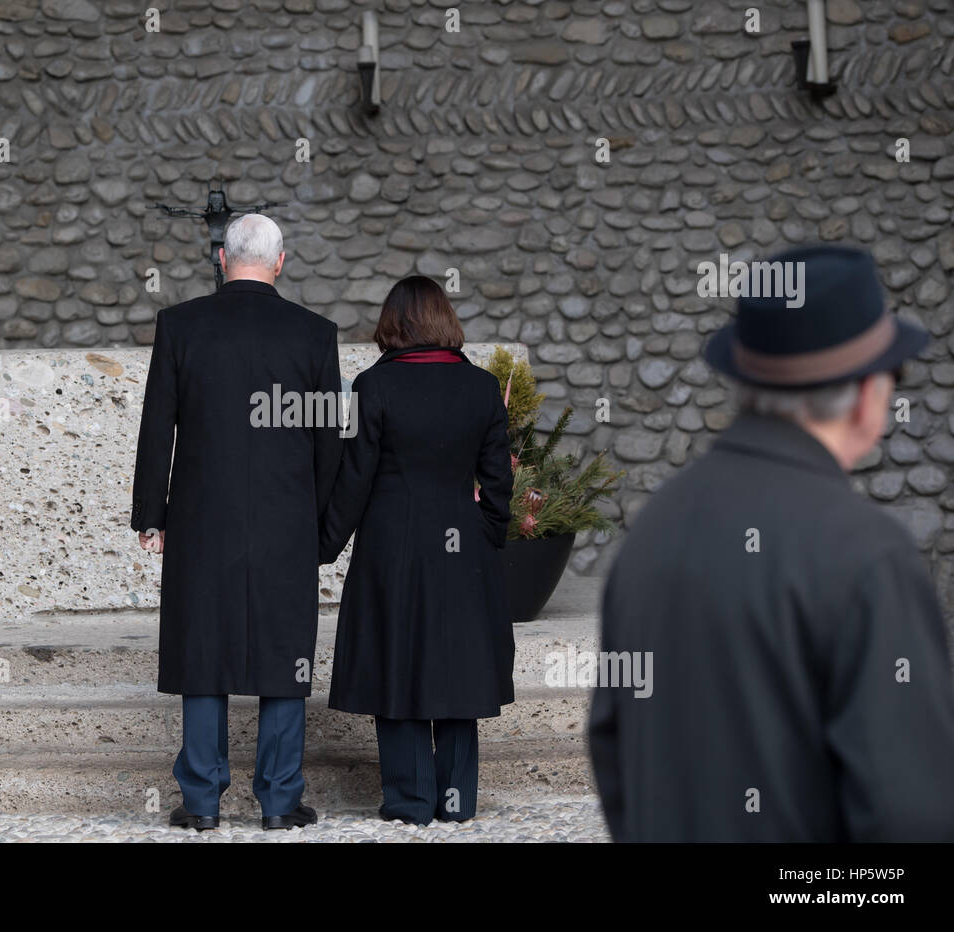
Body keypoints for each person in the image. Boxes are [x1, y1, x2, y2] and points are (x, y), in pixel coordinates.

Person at [589, 243, 954, 841]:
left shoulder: (653, 531)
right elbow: (910, 814)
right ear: (867, 392)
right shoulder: (866, 555)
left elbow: (612, 745)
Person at [130, 214, 343, 831]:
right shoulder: (315, 334)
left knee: (204, 650)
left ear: (222, 258)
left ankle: (201, 802)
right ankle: (278, 800)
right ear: (282, 262)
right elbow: (331, 442)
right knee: (285, 654)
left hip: (202, 520)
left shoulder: (180, 326)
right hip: (288, 522)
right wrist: (324, 529)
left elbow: (156, 428)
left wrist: (152, 514)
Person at [319, 275, 515, 825]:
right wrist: (487, 536)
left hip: (392, 546)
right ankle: (457, 799)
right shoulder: (481, 387)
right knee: (456, 663)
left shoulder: (372, 388)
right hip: (462, 545)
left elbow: (353, 480)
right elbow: (498, 481)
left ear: (393, 323)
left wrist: (323, 544)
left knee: (397, 661)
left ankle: (410, 800)